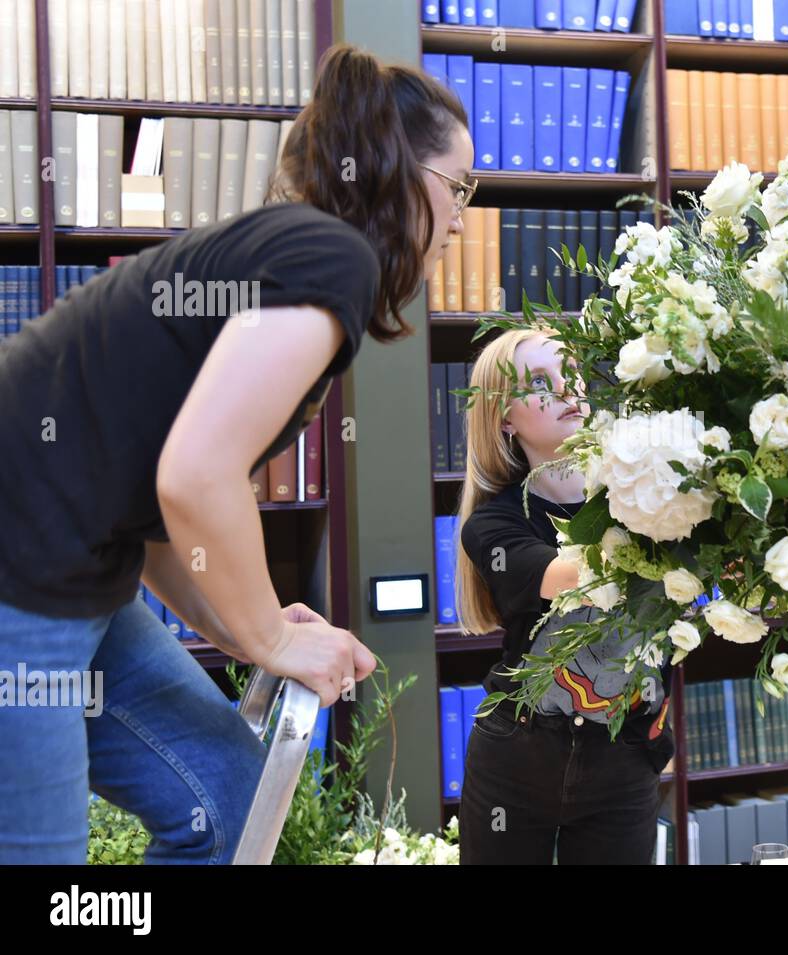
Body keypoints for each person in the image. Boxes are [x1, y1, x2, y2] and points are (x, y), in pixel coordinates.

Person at [0, 43, 476, 864]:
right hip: (20, 573)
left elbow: (158, 515)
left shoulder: (287, 255)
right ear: (400, 174)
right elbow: (196, 475)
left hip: (84, 570)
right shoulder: (332, 258)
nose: (465, 219)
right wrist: (270, 637)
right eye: (460, 187)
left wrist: (247, 624)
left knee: (226, 793)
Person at [455, 328, 675, 865]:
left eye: (571, 374)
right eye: (538, 383)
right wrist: (676, 513)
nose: (567, 390)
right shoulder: (493, 526)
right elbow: (571, 576)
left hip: (624, 756)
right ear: (504, 418)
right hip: (517, 758)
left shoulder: (645, 489)